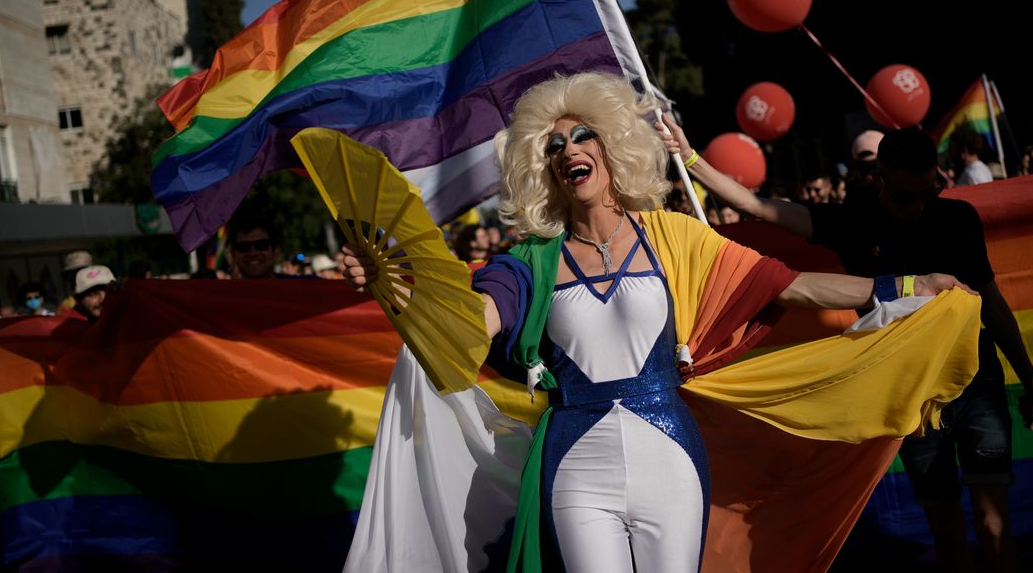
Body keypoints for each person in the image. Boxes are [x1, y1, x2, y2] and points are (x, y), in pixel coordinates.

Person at [340, 72, 973, 572]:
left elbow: (793, 285)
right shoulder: (527, 263)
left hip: (670, 457)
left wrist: (910, 286)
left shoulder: (674, 238)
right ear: (545, 169)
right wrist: (400, 290)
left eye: (582, 136)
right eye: (554, 146)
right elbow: (472, 323)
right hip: (574, 467)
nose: (568, 150)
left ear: (611, 147)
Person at [689, 126, 1033, 573]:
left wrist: (1030, 377)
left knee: (994, 526)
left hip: (977, 387)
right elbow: (756, 206)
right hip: (908, 397)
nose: (920, 206)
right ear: (881, 177)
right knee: (946, 529)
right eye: (907, 197)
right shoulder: (854, 222)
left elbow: (992, 303)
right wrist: (689, 156)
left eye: (929, 192)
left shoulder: (958, 218)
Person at [226, 211, 281, 279]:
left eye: (261, 245)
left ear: (276, 252)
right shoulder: (218, 286)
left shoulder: (293, 284)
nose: (252, 253)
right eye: (243, 246)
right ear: (233, 254)